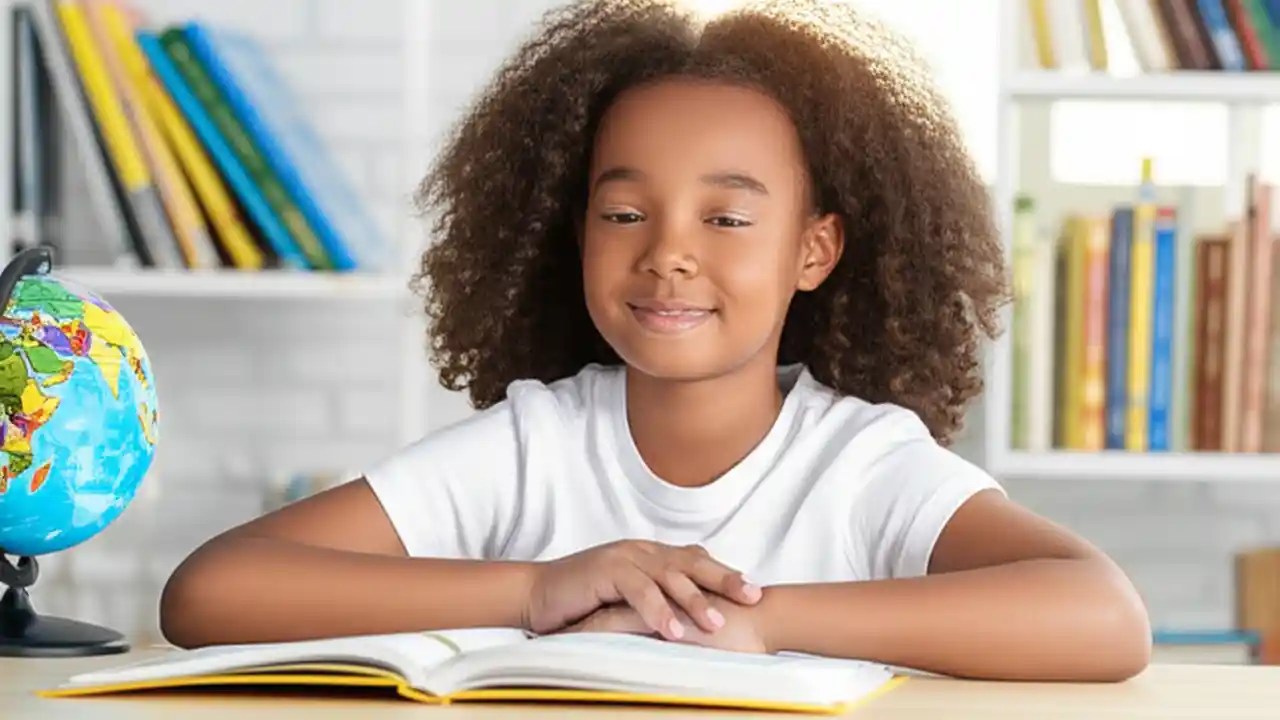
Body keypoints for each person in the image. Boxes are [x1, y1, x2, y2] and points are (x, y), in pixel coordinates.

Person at [158, 0, 1151, 681]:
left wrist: (758, 623)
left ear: (814, 249)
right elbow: (208, 593)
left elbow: (1102, 616)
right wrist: (541, 588)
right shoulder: (533, 444)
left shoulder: (856, 462)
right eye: (624, 213)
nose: (666, 255)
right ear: (574, 231)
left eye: (725, 219)